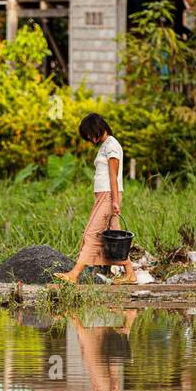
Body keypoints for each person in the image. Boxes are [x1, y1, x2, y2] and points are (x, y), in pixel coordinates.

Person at [55, 114, 136, 285]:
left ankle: (74, 274)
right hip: (103, 196)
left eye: (90, 135)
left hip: (108, 196)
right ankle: (130, 273)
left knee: (92, 234)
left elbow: (113, 176)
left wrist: (114, 201)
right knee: (114, 236)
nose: (90, 139)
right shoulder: (105, 145)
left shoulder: (112, 145)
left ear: (97, 128)